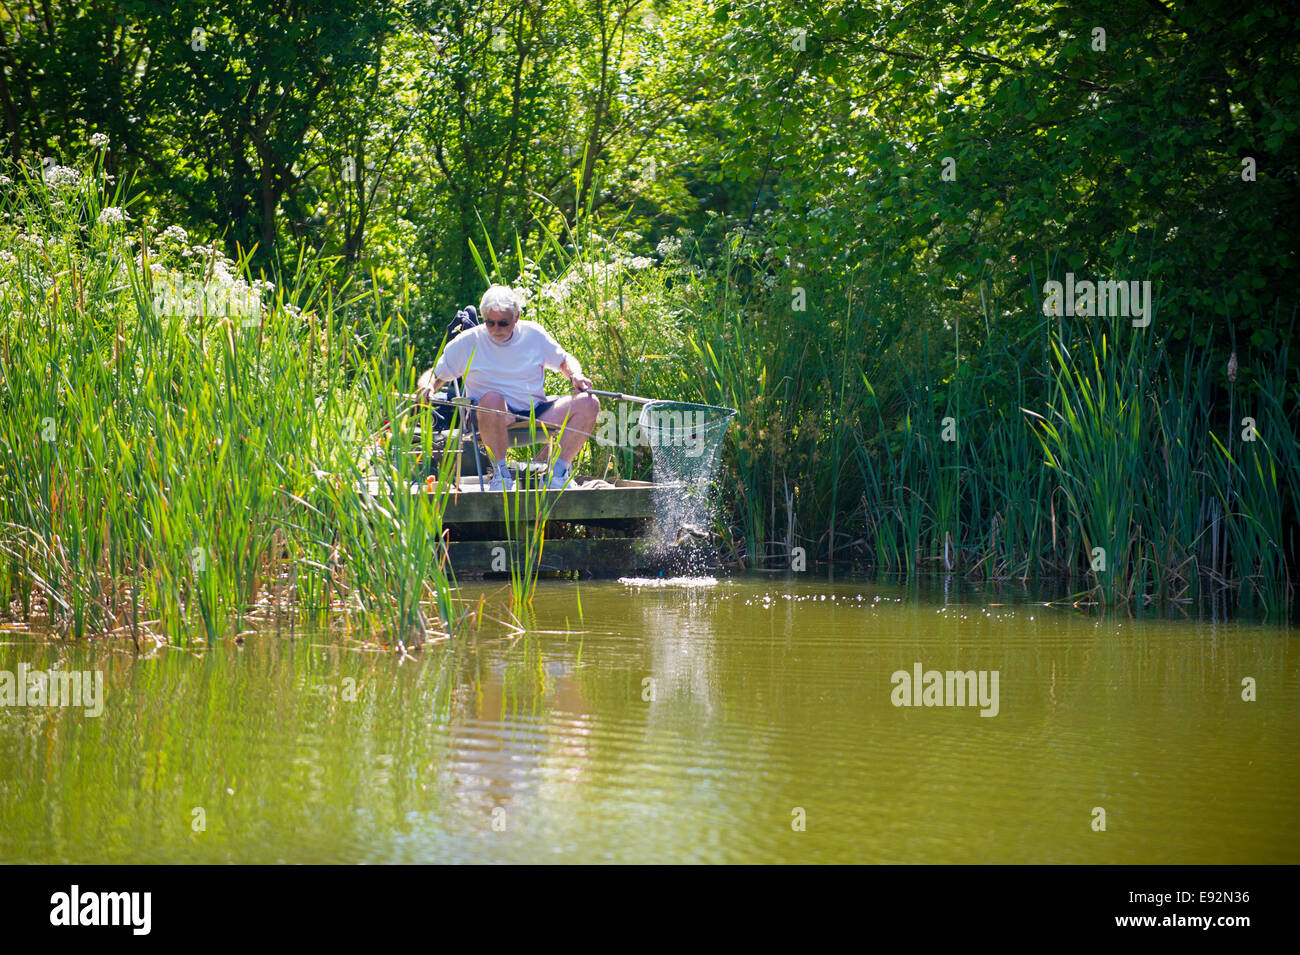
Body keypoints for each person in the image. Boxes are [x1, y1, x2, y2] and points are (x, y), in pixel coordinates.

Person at [415, 285, 599, 491]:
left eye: (503, 323)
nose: (496, 329)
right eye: (490, 323)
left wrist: (576, 376)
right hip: (489, 415)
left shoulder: (533, 334)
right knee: (493, 399)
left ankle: (557, 474)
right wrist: (427, 386)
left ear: (517, 317)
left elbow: (564, 360)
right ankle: (501, 475)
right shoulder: (468, 342)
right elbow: (435, 375)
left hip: (535, 415)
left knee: (589, 402)